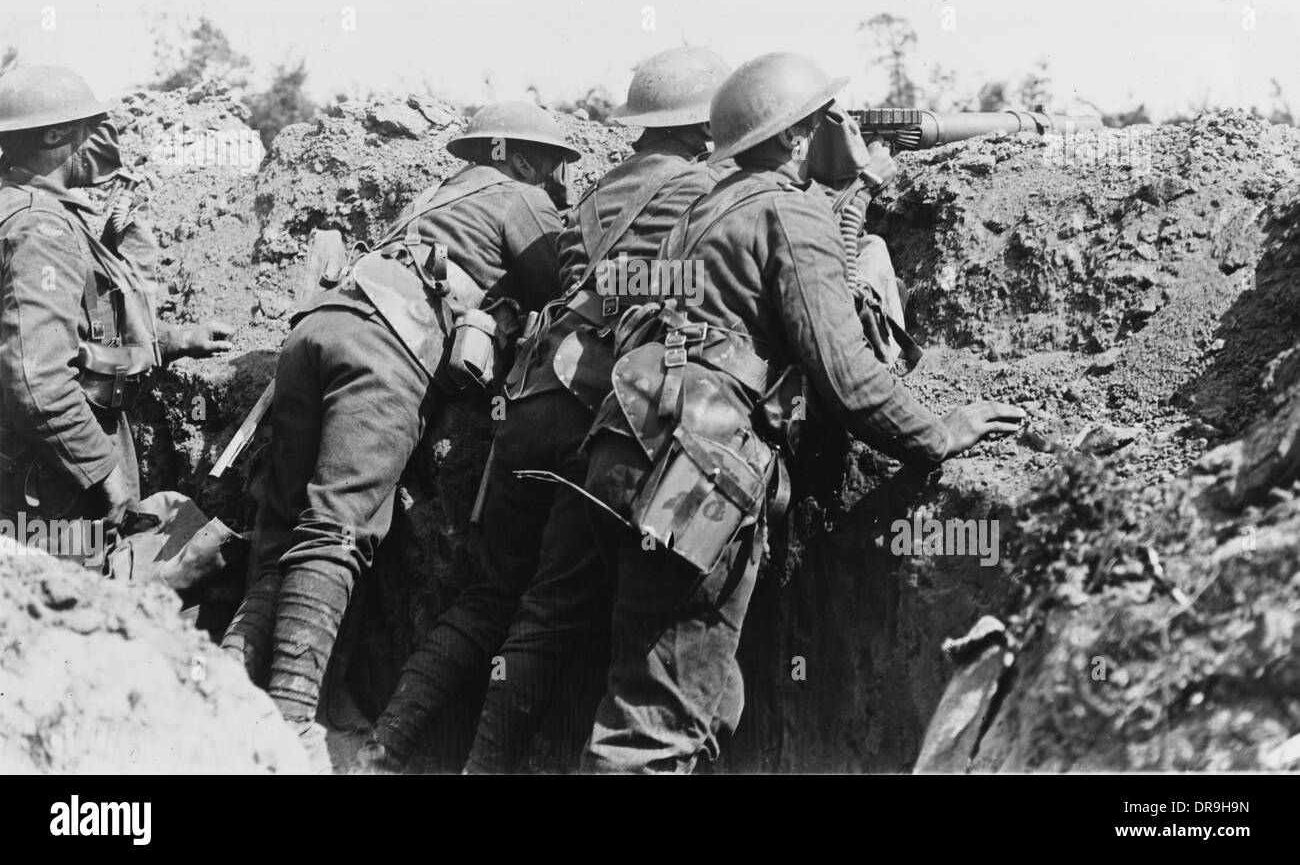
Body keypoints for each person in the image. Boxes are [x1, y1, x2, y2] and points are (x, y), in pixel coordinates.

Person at [579, 52, 1026, 773]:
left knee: (710, 697)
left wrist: (850, 185)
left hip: (628, 451)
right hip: (696, 471)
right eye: (823, 121)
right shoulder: (790, 210)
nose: (834, 131)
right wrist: (937, 433)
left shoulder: (704, 203)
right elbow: (846, 374)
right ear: (793, 137)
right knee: (654, 723)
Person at [360, 47, 733, 773]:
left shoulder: (592, 195)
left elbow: (571, 285)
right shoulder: (704, 188)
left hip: (530, 400)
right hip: (601, 416)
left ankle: (381, 751)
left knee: (487, 595)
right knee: (547, 612)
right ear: (704, 125)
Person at [220, 101, 573, 766]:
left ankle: (226, 693)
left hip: (317, 328)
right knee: (338, 528)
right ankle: (288, 722)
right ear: (520, 156)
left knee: (287, 529)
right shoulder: (519, 194)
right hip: (388, 344)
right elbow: (567, 284)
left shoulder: (434, 195)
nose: (557, 178)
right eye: (552, 162)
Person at [0, 66, 231, 560]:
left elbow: (80, 329)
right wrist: (105, 474)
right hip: (48, 489)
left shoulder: (24, 210)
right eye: (90, 125)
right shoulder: (41, 230)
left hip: (36, 471)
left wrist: (172, 340)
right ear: (56, 133)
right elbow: (37, 382)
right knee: (72, 619)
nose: (101, 138)